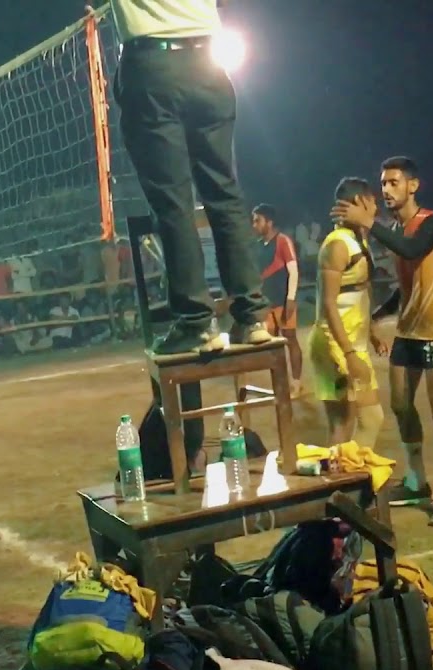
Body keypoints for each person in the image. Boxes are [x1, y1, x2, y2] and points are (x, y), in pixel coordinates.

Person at [110, 0, 271, 354]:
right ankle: (252, 317)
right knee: (225, 194)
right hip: (208, 63)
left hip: (153, 63)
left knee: (173, 204)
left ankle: (197, 322)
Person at [332, 156, 433, 526]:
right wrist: (378, 316)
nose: (386, 189)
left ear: (413, 186)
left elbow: (411, 250)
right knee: (402, 405)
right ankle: (417, 481)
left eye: (393, 182)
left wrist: (367, 223)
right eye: (383, 184)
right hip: (408, 330)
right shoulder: (393, 228)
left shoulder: (432, 224)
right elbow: (405, 287)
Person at [308, 178, 385, 449]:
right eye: (372, 200)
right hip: (335, 344)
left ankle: (352, 482)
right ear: (358, 202)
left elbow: (362, 287)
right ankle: (343, 485)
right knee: (345, 423)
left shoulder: (357, 239)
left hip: (352, 342)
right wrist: (349, 355)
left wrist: (372, 331)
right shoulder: (337, 245)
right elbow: (328, 304)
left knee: (368, 419)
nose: (376, 205)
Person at [252, 204, 303, 396]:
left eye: (258, 220)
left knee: (290, 339)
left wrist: (290, 299)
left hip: (282, 301)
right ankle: (280, 384)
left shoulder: (282, 241)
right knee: (271, 345)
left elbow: (293, 271)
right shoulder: (259, 246)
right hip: (267, 303)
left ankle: (296, 383)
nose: (254, 224)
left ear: (269, 222)